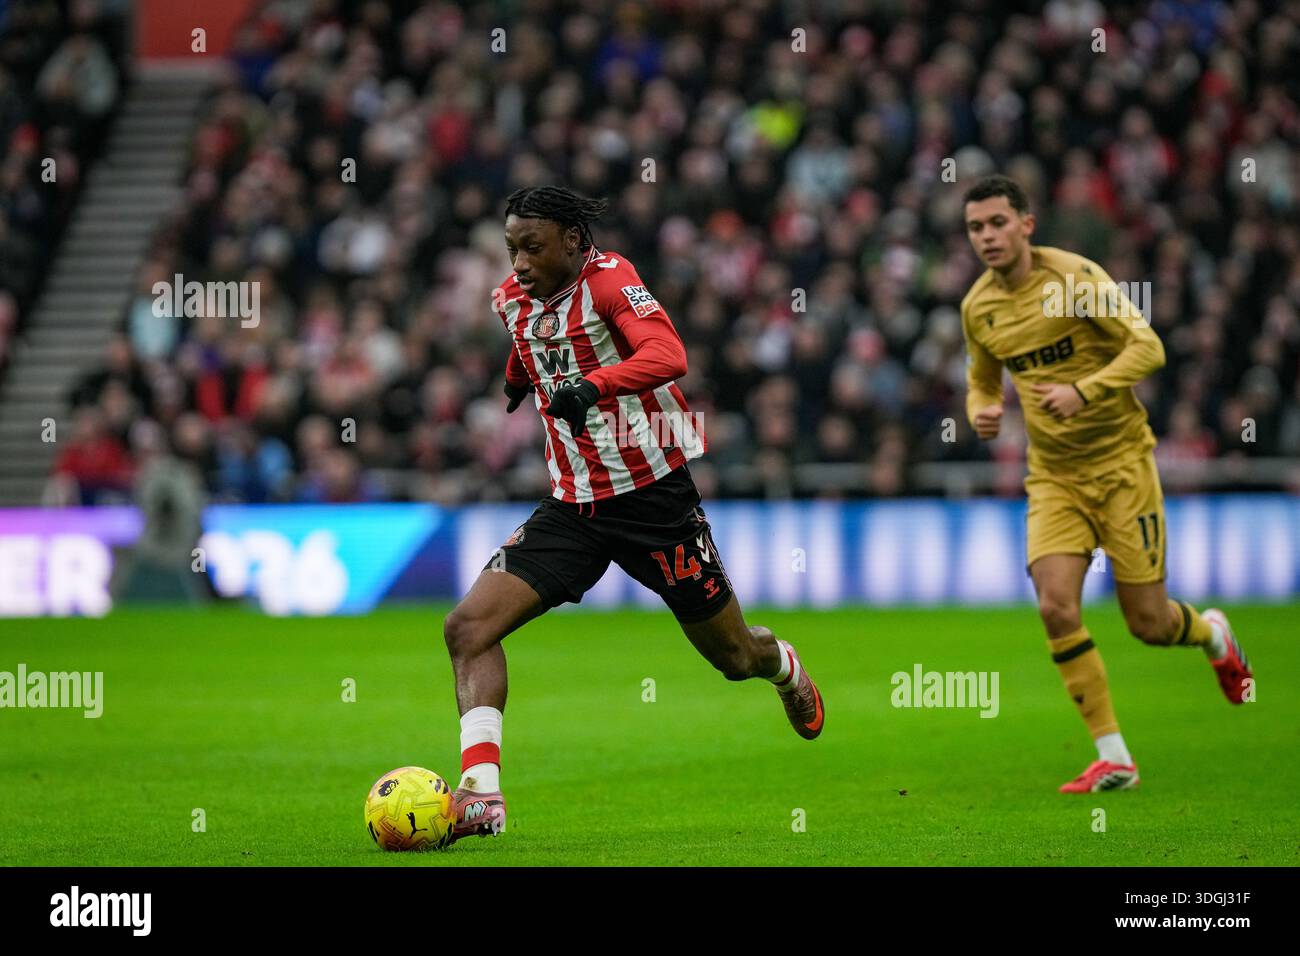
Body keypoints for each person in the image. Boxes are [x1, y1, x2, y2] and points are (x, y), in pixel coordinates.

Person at [442, 186, 824, 841]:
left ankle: (781, 663)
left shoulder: (612, 280)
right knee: (467, 627)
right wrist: (515, 378)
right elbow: (531, 344)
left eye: (533, 247)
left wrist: (593, 385)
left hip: (655, 500)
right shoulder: (512, 299)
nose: (520, 262)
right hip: (572, 506)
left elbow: (668, 355)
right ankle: (481, 794)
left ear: (571, 239)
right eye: (512, 248)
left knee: (734, 658)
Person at [960, 174, 1252, 794]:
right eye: (975, 227)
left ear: (1026, 225)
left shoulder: (1074, 280)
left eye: (997, 223)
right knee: (1054, 603)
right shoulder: (978, 307)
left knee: (1148, 623)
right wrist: (980, 409)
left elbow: (1149, 349)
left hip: (1122, 466)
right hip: (1054, 477)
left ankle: (1212, 634)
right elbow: (983, 378)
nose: (987, 236)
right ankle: (1114, 754)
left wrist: (1084, 390)